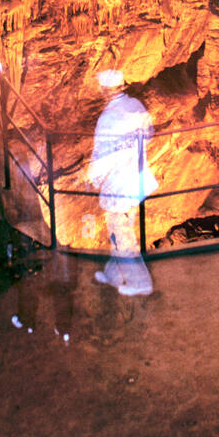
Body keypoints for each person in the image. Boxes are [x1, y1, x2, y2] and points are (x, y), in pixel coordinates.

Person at [89, 68, 156, 297]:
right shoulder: (136, 106)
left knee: (121, 234)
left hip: (119, 185)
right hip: (137, 179)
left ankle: (140, 282)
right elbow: (150, 133)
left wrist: (92, 178)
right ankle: (114, 274)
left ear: (105, 92)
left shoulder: (108, 118)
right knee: (122, 228)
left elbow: (100, 156)